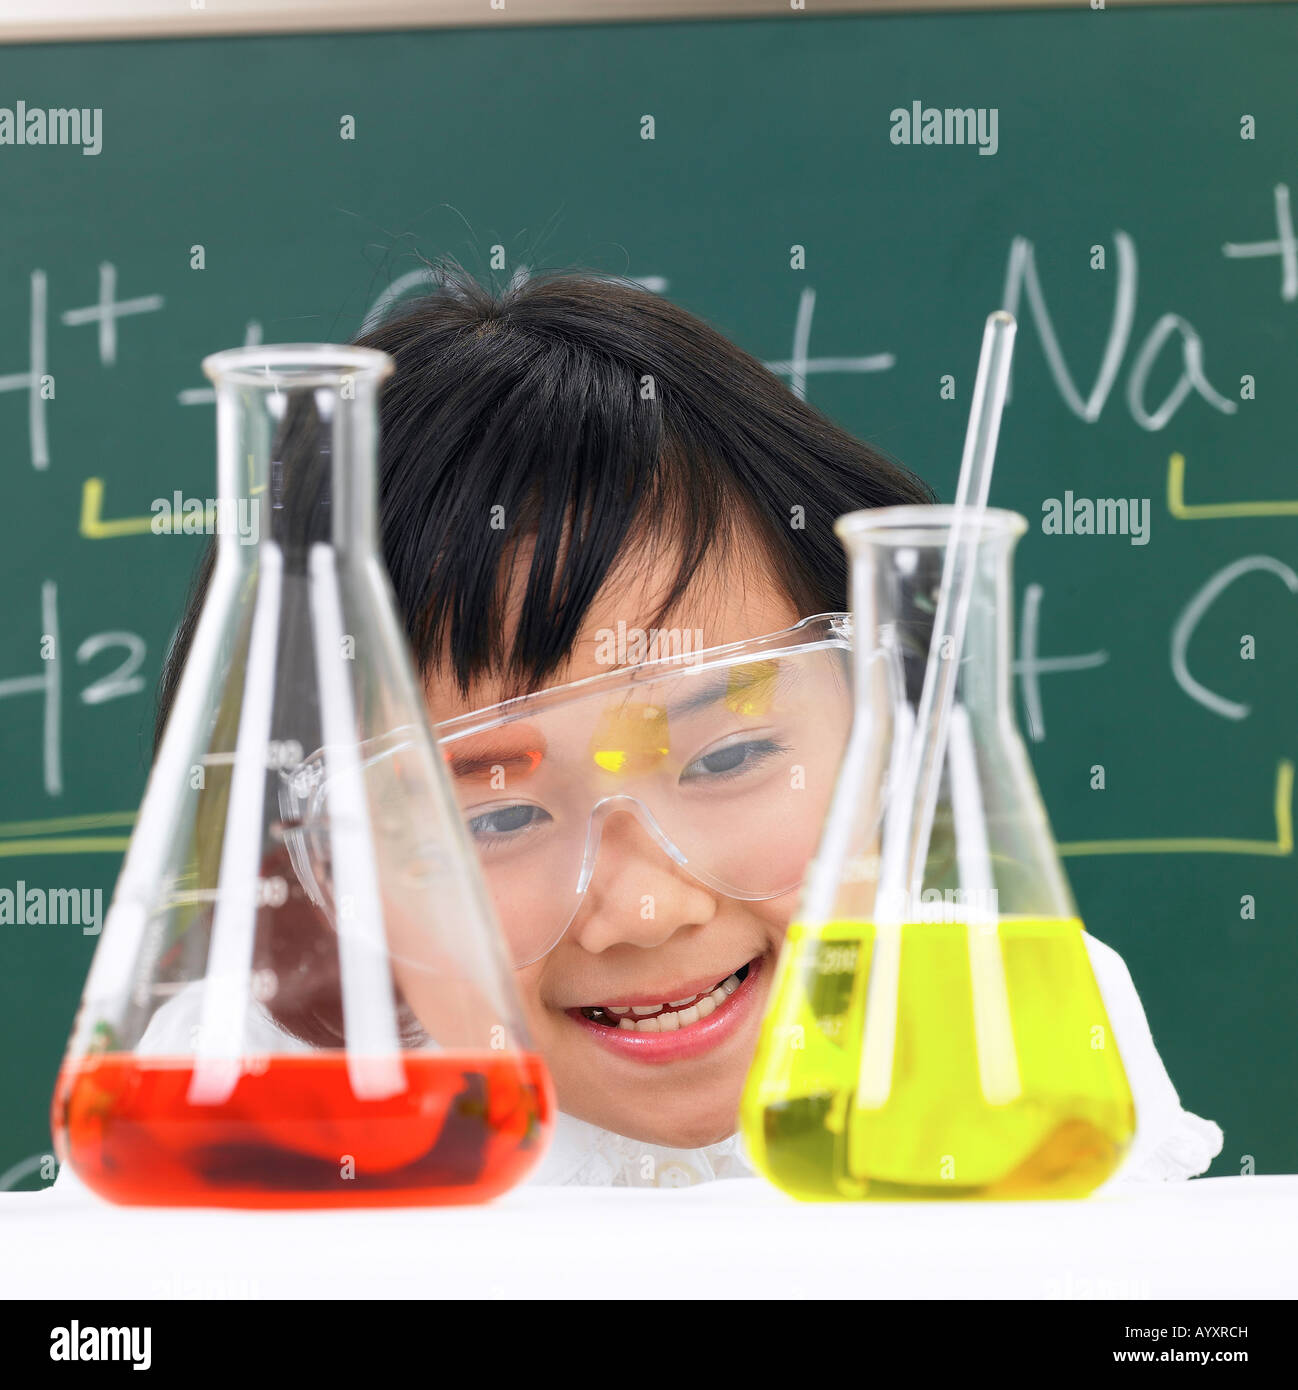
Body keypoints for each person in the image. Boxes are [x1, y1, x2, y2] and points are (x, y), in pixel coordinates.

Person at [148, 267, 1221, 1188]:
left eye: (730, 754)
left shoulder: (1004, 1021)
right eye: (497, 815)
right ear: (322, 872)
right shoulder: (263, 1092)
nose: (647, 908)